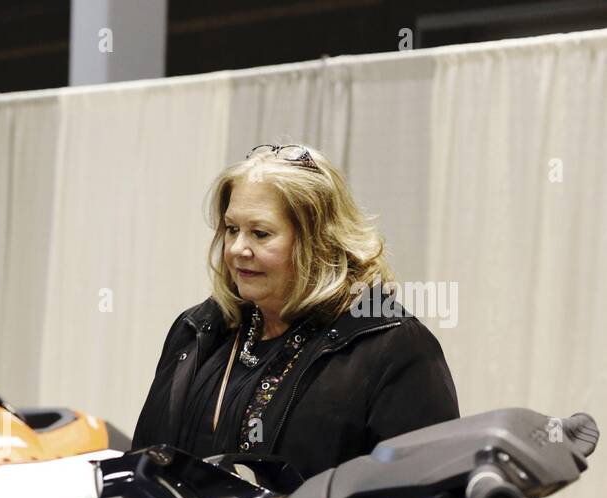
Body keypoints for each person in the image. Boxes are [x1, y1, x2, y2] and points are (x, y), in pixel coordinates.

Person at [132, 143, 458, 478]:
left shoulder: (392, 345)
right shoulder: (198, 329)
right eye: (232, 229)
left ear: (319, 241)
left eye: (260, 233)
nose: (238, 249)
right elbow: (143, 466)